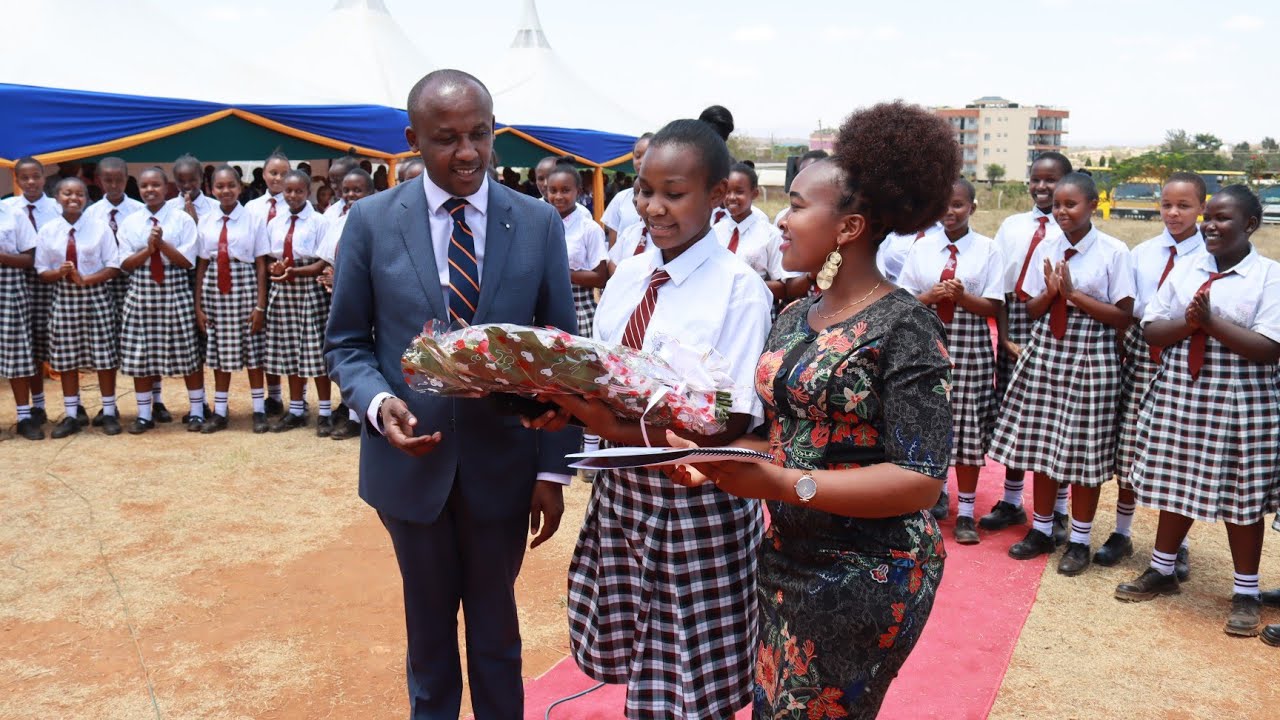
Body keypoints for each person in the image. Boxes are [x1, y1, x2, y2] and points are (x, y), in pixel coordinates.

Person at [663, 101, 957, 718]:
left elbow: (920, 480)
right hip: (784, 559)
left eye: (796, 205)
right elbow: (785, 435)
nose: (782, 219)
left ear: (848, 228)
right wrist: (714, 460)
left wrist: (780, 482)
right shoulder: (796, 317)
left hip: (868, 574)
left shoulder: (907, 327)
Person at [324, 69, 580, 719]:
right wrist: (382, 407)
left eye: (479, 134)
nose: (467, 153)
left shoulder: (539, 223)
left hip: (506, 468)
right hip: (410, 471)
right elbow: (348, 343)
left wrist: (552, 470)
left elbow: (563, 354)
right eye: (446, 138)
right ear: (413, 140)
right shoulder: (371, 222)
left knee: (497, 636)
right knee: (429, 636)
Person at [523, 117, 771, 718]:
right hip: (623, 491)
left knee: (689, 672)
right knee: (644, 657)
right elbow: (605, 371)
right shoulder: (630, 273)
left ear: (717, 196)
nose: (653, 207)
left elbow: (727, 423)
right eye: (644, 190)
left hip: (696, 497)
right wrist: (563, 401)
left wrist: (608, 426)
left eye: (674, 193)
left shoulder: (739, 289)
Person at [1116, 185, 1279, 639]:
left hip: (1241, 397)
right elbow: (1152, 330)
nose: (1210, 224)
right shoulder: (1187, 269)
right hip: (1181, 390)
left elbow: (1269, 349)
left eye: (1223, 218)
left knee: (1240, 498)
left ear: (1250, 225)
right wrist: (1190, 323)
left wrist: (1209, 323)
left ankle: (1246, 592)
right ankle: (1163, 569)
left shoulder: (1269, 277)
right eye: (1209, 216)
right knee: (1175, 483)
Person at [989, 173, 1136, 575]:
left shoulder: (1113, 251)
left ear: (1092, 205)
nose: (1062, 212)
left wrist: (1073, 296)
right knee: (1040, 444)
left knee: (1083, 450)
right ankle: (1041, 529)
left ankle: (1080, 540)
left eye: (1071, 205)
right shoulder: (1048, 246)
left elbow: (1124, 315)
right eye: (1057, 205)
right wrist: (1052, 293)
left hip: (1092, 353)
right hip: (1047, 349)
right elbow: (1033, 311)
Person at [1100, 172, 1206, 573]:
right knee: (1130, 444)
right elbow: (1130, 310)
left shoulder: (1208, 257)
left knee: (1177, 449)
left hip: (1184, 352)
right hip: (1142, 351)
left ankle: (1177, 544)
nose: (1174, 213)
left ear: (1202, 208)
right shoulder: (1141, 253)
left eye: (1184, 206)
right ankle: (1122, 532)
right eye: (1167, 205)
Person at [897, 178, 1004, 544]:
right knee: (928, 421)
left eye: (959, 205)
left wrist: (963, 298)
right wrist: (930, 295)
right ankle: (929, 501)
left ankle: (968, 513)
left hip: (970, 344)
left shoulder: (988, 249)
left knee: (968, 427)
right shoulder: (922, 248)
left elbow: (994, 305)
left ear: (972, 207)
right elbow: (905, 300)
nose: (950, 212)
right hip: (927, 342)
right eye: (944, 205)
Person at [983, 152, 1074, 541]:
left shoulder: (1072, 227)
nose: (1041, 187)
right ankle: (1011, 500)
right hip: (1016, 316)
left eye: (1051, 180)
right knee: (1014, 413)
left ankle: (1059, 508)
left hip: (1058, 319)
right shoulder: (1013, 225)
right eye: (1035, 179)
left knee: (1057, 415)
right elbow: (1002, 286)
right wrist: (1003, 336)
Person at [115, 167, 205, 433]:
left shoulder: (181, 219)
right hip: (141, 292)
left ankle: (197, 410)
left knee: (188, 353)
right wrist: (149, 249)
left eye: (155, 185)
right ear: (139, 189)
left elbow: (188, 260)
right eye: (144, 186)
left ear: (167, 188)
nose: (150, 190)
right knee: (140, 354)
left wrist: (162, 246)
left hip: (174, 290)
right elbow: (125, 264)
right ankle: (145, 414)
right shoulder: (130, 222)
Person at [36, 177, 123, 438]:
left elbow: (113, 266)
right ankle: (72, 414)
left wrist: (86, 279)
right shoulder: (48, 230)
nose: (73, 198)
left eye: (79, 194)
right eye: (67, 193)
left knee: (104, 357)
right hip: (64, 297)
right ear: (57, 197)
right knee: (66, 358)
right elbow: (41, 271)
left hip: (95, 295)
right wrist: (58, 272)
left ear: (86, 198)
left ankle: (108, 411)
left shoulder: (99, 228)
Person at [194, 166, 271, 434]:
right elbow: (202, 265)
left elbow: (261, 264)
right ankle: (220, 411)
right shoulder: (206, 220)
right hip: (215, 287)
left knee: (252, 352)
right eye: (219, 186)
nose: (225, 191)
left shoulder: (253, 219)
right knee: (218, 352)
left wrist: (260, 306)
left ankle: (259, 410)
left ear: (240, 187)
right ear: (210, 189)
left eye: (231, 185)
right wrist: (199, 307)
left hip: (244, 283)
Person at [264, 169, 333, 435]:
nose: (293, 196)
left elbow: (323, 261)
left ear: (308, 192)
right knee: (290, 350)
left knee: (314, 351)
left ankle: (325, 411)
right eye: (288, 191)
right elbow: (271, 257)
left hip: (309, 289)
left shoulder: (318, 221)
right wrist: (276, 268)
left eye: (299, 191)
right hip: (284, 290)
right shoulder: (275, 223)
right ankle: (296, 409)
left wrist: (295, 272)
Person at [316, 168, 375, 441]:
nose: (351, 194)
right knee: (349, 350)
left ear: (371, 191)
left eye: (358, 190)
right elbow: (330, 256)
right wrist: (330, 274)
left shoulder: (375, 217)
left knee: (368, 352)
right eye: (347, 190)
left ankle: (360, 416)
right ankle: (351, 413)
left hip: (371, 295)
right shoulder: (337, 219)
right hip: (340, 293)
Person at [6, 157, 61, 426]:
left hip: (46, 281)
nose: (30, 182)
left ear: (43, 177)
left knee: (40, 343)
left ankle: (39, 405)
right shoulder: (9, 207)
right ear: (16, 180)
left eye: (35, 176)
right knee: (21, 346)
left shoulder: (56, 206)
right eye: (24, 178)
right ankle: (27, 409)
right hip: (15, 283)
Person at [163, 153, 217, 422]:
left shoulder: (216, 207)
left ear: (202, 179)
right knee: (187, 347)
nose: (187, 185)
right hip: (178, 280)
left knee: (211, 347)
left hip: (210, 280)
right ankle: (196, 404)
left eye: (192, 180)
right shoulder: (168, 209)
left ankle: (213, 404)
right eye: (181, 181)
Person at [714, 162, 808, 313]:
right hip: (717, 308)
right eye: (727, 191)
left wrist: (742, 286)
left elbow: (785, 287)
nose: (731, 197)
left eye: (739, 192)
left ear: (755, 194)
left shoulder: (770, 234)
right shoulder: (714, 232)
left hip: (754, 310)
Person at [83, 156, 144, 344]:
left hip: (133, 277)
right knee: (107, 330)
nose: (114, 185)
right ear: (99, 180)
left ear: (127, 179)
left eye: (119, 180)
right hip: (103, 279)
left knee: (134, 329)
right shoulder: (90, 213)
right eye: (108, 180)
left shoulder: (140, 210)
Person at [544, 162, 608, 337]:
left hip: (579, 310)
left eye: (565, 190)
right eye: (552, 190)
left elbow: (601, 278)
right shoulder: (540, 225)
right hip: (545, 310)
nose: (558, 196)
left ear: (578, 192)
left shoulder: (589, 229)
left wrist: (559, 271)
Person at [0, 201, 42, 439]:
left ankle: (24, 417)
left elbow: (29, 259)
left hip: (10, 286)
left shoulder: (13, 213)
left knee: (17, 352)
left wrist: (2, 256)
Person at [600, 133, 652, 247]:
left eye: (648, 155)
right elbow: (613, 245)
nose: (641, 161)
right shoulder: (620, 198)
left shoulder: (666, 200)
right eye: (637, 156)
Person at [773, 149, 828, 227]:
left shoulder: (833, 217)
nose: (804, 179)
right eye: (801, 174)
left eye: (811, 173)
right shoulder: (782, 216)